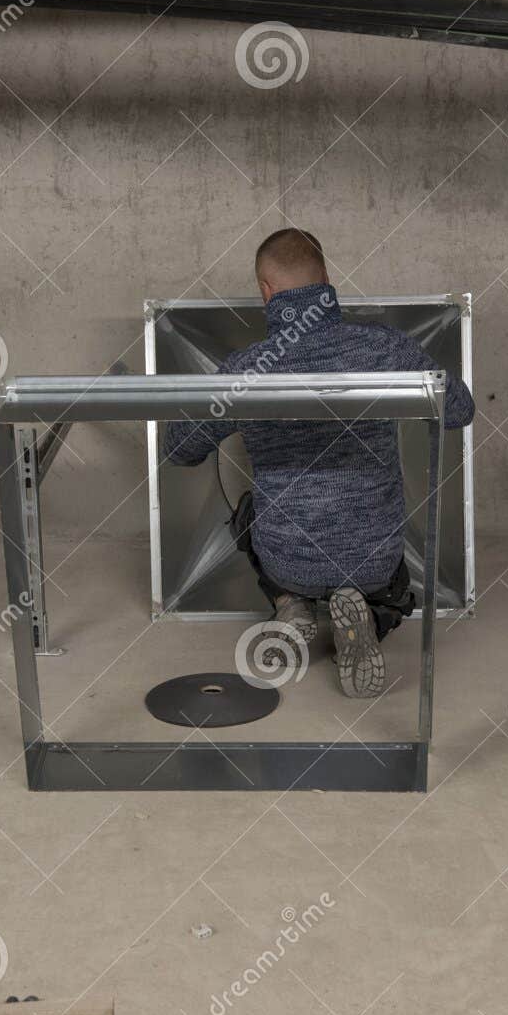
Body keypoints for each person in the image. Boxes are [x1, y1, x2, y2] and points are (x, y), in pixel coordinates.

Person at [161, 229, 475, 697]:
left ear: (266, 291)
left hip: (290, 557)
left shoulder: (247, 369)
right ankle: (371, 615)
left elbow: (181, 450)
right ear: (326, 280)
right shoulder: (384, 349)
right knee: (391, 576)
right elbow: (460, 410)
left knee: (250, 511)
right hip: (373, 557)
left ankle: (290, 601)